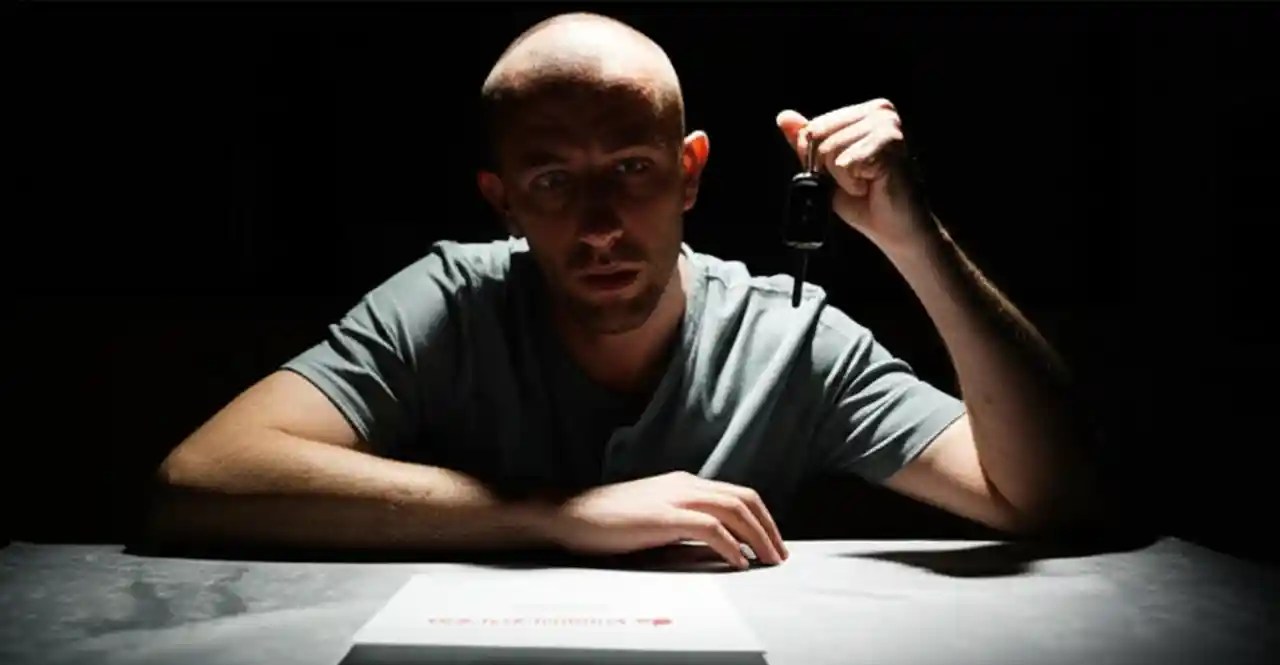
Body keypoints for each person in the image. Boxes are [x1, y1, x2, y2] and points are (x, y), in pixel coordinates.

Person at [150, 12, 1097, 569]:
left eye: (633, 169)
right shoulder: (451, 300)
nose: (600, 224)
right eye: (555, 182)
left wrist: (912, 235)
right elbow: (198, 480)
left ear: (691, 174)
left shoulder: (792, 340)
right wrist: (551, 514)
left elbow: (1045, 499)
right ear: (504, 202)